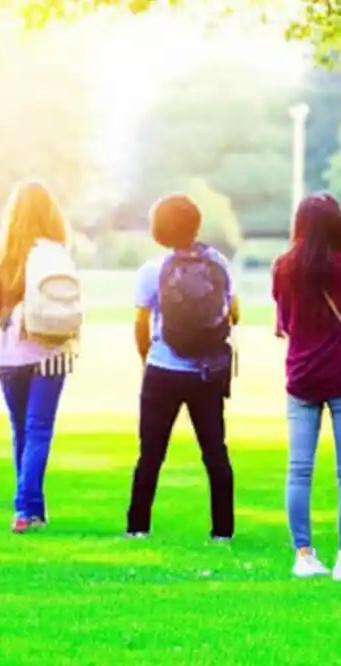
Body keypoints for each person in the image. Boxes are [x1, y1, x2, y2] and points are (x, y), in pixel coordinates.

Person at [126, 194, 239, 541]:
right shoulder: (218, 262)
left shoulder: (153, 271)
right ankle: (222, 530)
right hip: (207, 371)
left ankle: (138, 527)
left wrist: (147, 360)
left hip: (163, 368)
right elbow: (233, 313)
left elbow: (141, 324)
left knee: (151, 453)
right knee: (215, 452)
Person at [273, 194, 341, 582]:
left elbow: (285, 324)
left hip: (303, 377)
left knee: (299, 471)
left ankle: (304, 554)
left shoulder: (283, 269)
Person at [0, 181, 79, 534]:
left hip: (9, 351)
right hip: (51, 350)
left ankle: (29, 507)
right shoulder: (56, 251)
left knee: (21, 430)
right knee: (39, 430)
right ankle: (27, 508)